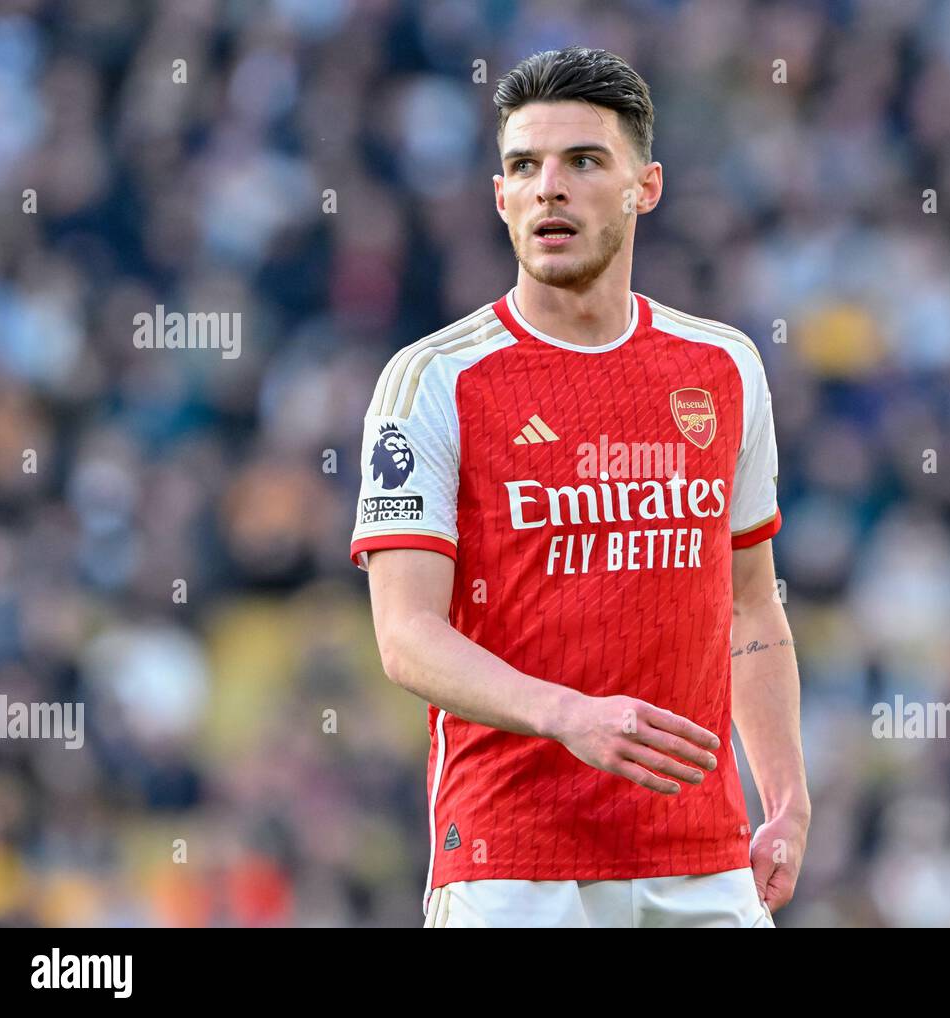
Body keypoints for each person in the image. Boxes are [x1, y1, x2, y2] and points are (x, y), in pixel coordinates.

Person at [351, 45, 809, 928]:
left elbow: (750, 605)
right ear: (500, 197)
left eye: (584, 161)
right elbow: (406, 636)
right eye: (525, 166)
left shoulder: (725, 368)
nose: (549, 189)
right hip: (512, 868)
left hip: (703, 865)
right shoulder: (432, 381)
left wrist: (785, 799)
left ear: (646, 187)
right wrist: (567, 715)